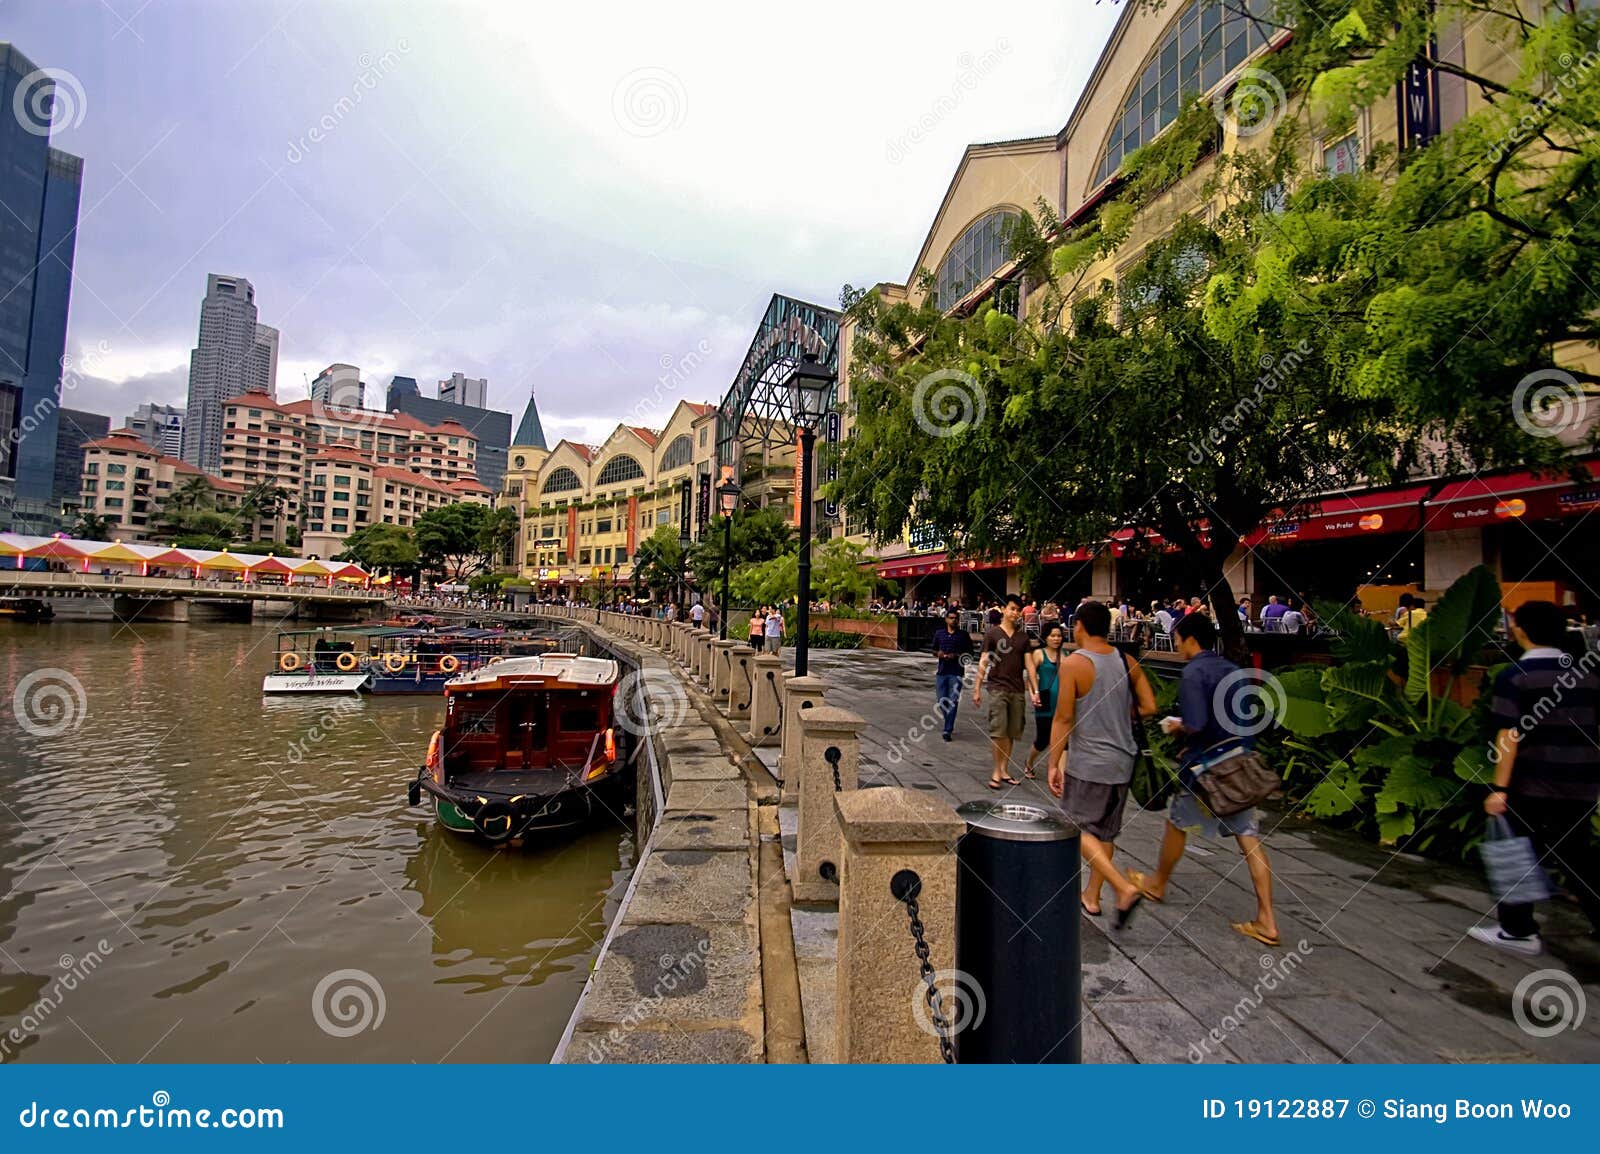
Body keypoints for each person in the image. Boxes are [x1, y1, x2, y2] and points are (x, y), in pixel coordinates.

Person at [1136, 612, 1281, 947]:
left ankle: (1157, 884)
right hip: (1238, 765)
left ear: (1190, 639)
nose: (1176, 645)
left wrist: (1177, 726)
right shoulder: (1231, 669)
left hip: (1205, 769)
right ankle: (1267, 919)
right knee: (1249, 837)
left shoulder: (1193, 672)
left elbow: (1196, 723)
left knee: (1177, 823)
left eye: (1177, 639)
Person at [1472, 600, 1600, 954]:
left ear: (1520, 631)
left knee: (1514, 852)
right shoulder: (1588, 676)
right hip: (1581, 782)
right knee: (1578, 856)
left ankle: (1518, 930)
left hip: (1531, 782)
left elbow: (1508, 736)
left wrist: (1500, 788)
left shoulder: (1514, 676)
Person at [1047, 602, 1158, 927]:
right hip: (1123, 761)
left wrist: (1053, 763)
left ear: (1080, 626)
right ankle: (1092, 897)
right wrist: (1118, 713)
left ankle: (1122, 888)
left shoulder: (1074, 664)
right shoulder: (1126, 661)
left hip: (1090, 762)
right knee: (1106, 833)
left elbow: (1063, 718)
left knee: (1075, 827)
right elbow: (1149, 706)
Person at [974, 595, 1035, 790]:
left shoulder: (1023, 637)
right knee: (998, 730)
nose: (1015, 613)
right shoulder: (993, 634)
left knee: (1011, 732)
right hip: (997, 687)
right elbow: (984, 661)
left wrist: (1035, 690)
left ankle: (1004, 769)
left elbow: (1030, 665)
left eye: (1018, 610)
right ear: (1003, 609)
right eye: (1012, 609)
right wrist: (977, 687)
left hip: (1017, 689)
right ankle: (996, 770)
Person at [1024, 621, 1067, 779]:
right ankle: (1029, 762)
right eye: (1053, 636)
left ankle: (1061, 774)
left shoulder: (1065, 654)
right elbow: (1030, 676)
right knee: (1042, 739)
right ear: (1046, 637)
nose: (1056, 639)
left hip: (1062, 702)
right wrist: (1033, 693)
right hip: (1045, 700)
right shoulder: (1039, 653)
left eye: (1059, 636)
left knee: (1064, 740)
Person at [932, 609, 974, 742]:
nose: (953, 620)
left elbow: (970, 654)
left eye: (956, 618)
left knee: (952, 701)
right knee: (941, 701)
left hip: (956, 672)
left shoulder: (963, 635)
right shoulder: (940, 634)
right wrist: (938, 654)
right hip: (942, 671)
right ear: (946, 619)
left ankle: (948, 729)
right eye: (951, 618)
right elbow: (933, 649)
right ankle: (948, 720)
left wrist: (956, 656)